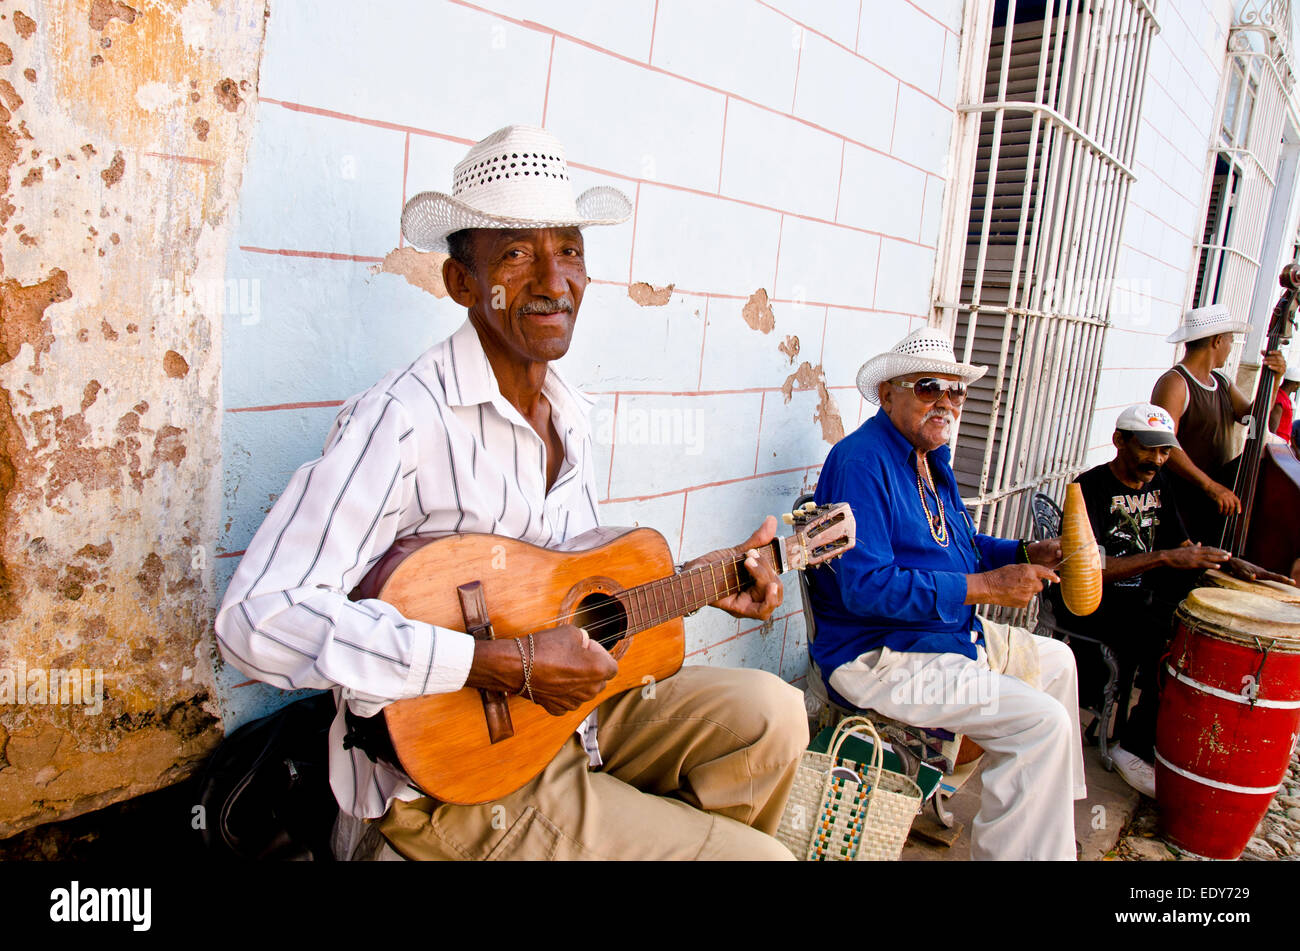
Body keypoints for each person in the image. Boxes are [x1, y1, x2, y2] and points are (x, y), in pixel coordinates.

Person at [215, 125, 808, 861]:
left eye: (570, 250)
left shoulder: (571, 411)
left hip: (570, 724)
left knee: (773, 715)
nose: (554, 280)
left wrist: (706, 582)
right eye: (518, 253)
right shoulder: (403, 420)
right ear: (464, 282)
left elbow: (566, 596)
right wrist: (492, 663)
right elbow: (254, 619)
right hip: (455, 776)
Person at [806, 328, 1086, 861]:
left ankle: (1045, 824)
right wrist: (983, 587)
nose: (947, 402)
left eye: (956, 391)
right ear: (888, 393)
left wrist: (1025, 552)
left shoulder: (930, 456)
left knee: (1060, 662)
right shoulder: (860, 463)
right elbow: (864, 587)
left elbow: (958, 544)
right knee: (1040, 725)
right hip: (882, 653)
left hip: (943, 637)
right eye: (930, 387)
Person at [1049, 404, 1292, 798]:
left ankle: (1139, 733)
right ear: (1119, 441)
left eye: (1164, 452)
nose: (1157, 460)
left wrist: (1236, 564)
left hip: (1140, 596)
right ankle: (1132, 747)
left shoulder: (1158, 483)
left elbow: (1179, 544)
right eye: (1148, 449)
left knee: (1194, 629)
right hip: (1093, 600)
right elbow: (1083, 570)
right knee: (1171, 645)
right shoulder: (1089, 488)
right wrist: (1162, 558)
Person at [1150, 303, 1287, 547]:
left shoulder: (1221, 382)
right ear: (1216, 341)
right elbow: (1165, 444)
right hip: (1183, 498)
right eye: (1230, 340)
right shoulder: (1175, 383)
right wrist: (1210, 486)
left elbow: (1252, 419)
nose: (1230, 348)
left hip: (1215, 497)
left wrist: (1273, 381)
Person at [1269, 363, 1299, 441]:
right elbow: (1272, 430)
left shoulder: (1286, 399)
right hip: (1276, 445)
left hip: (1282, 443)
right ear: (1296, 384)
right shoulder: (1280, 399)